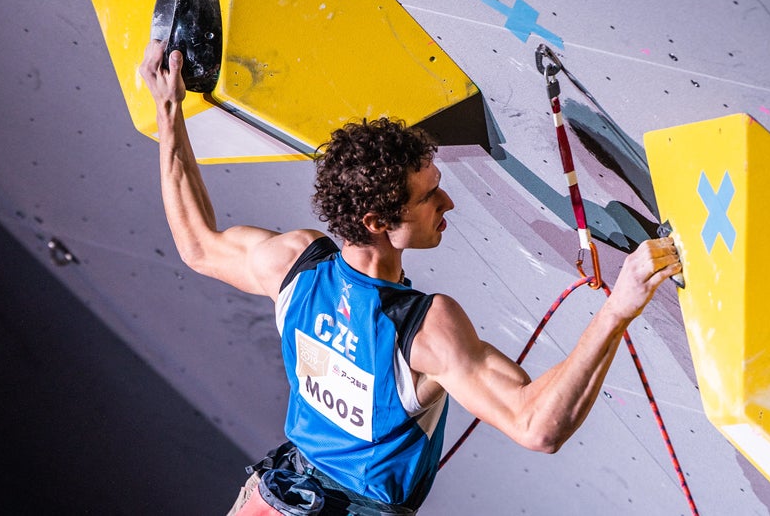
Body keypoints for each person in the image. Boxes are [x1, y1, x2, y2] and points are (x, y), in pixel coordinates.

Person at [139, 40, 683, 515]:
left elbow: (198, 245)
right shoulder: (422, 332)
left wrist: (169, 113)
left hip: (273, 501)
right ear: (377, 222)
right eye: (428, 197)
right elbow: (535, 425)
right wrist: (618, 307)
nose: (447, 202)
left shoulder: (295, 266)